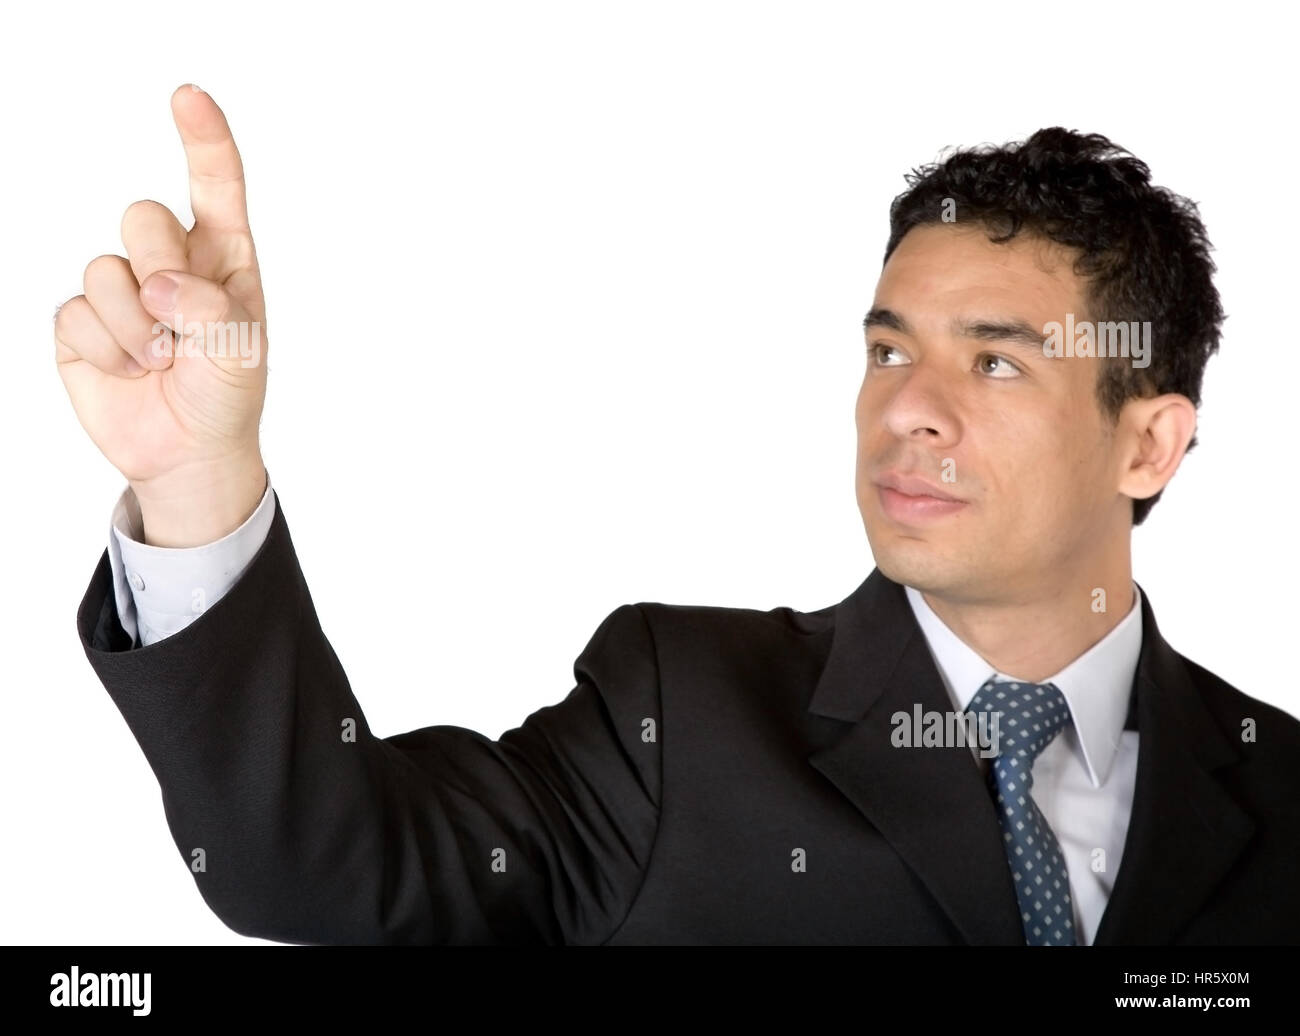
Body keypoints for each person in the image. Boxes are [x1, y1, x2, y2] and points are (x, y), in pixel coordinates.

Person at [58, 84, 1300, 945]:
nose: (906, 410)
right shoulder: (678, 716)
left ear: (1148, 441)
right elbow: (324, 864)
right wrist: (194, 478)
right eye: (885, 352)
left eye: (993, 362)